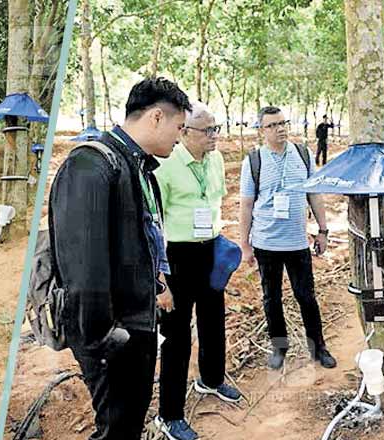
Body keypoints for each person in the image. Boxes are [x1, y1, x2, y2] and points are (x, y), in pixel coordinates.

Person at [49, 77, 191, 440]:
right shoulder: (91, 166)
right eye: (179, 127)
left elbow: (144, 243)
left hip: (136, 326)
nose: (181, 137)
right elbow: (83, 271)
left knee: (128, 424)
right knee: (115, 427)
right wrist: (107, 341)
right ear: (156, 117)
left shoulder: (140, 170)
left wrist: (156, 288)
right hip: (111, 336)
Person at [152, 103, 242, 440]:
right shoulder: (164, 166)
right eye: (207, 131)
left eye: (216, 128)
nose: (214, 136)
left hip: (212, 249)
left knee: (214, 319)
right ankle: (170, 414)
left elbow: (216, 201)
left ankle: (211, 379)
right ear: (184, 133)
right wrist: (160, 276)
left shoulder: (216, 159)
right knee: (176, 336)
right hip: (177, 256)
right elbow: (154, 223)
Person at [239, 106, 336, 370]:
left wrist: (323, 230)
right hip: (266, 243)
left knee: (306, 296)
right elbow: (246, 205)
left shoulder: (303, 155)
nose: (280, 128)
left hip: (297, 242)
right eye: (272, 125)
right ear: (262, 130)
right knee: (272, 298)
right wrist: (245, 244)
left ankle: (319, 349)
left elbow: (314, 195)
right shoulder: (254, 161)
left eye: (283, 123)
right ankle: (279, 347)